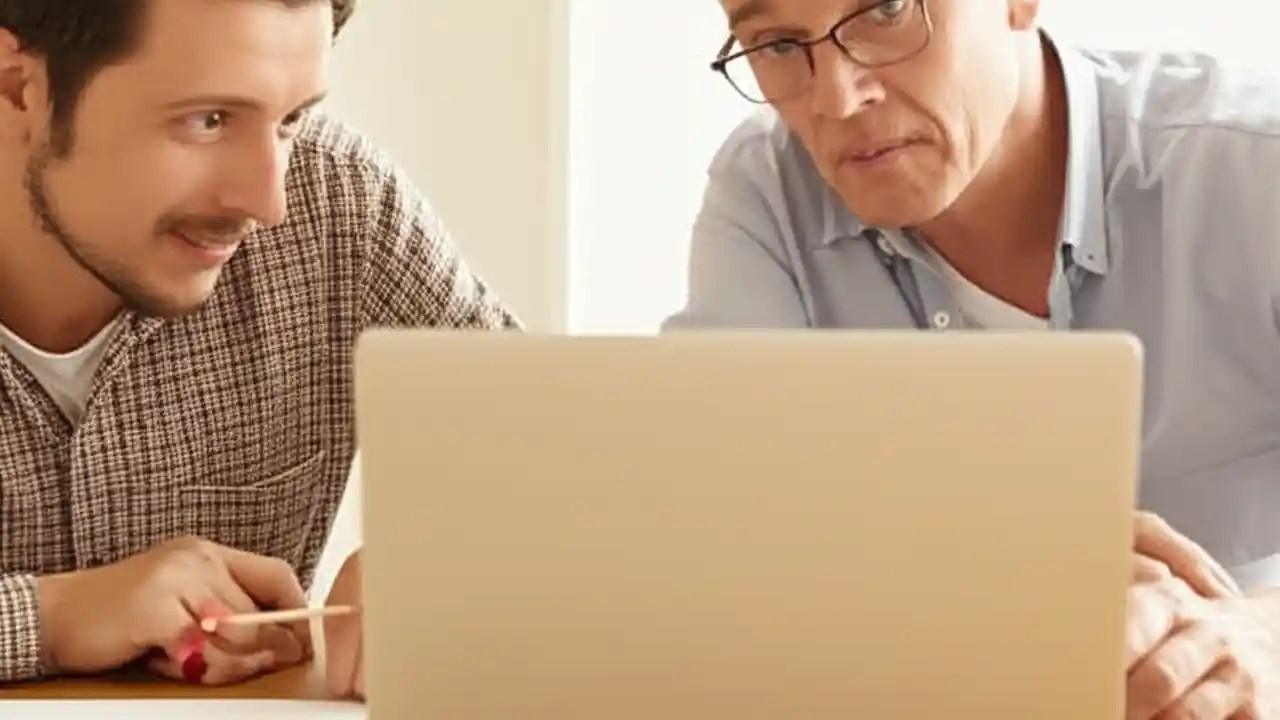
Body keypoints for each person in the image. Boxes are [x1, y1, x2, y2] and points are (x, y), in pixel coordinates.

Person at [666, 0, 1280, 717]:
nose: (836, 97)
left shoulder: (1254, 172)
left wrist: (1258, 634)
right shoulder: (766, 196)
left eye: (887, 10)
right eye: (775, 43)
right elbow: (721, 544)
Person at [0, 0, 517, 690]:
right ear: (16, 86)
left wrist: (446, 556)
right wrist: (52, 616)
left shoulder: (338, 206)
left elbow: (564, 465)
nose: (266, 201)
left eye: (289, 121)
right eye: (207, 121)